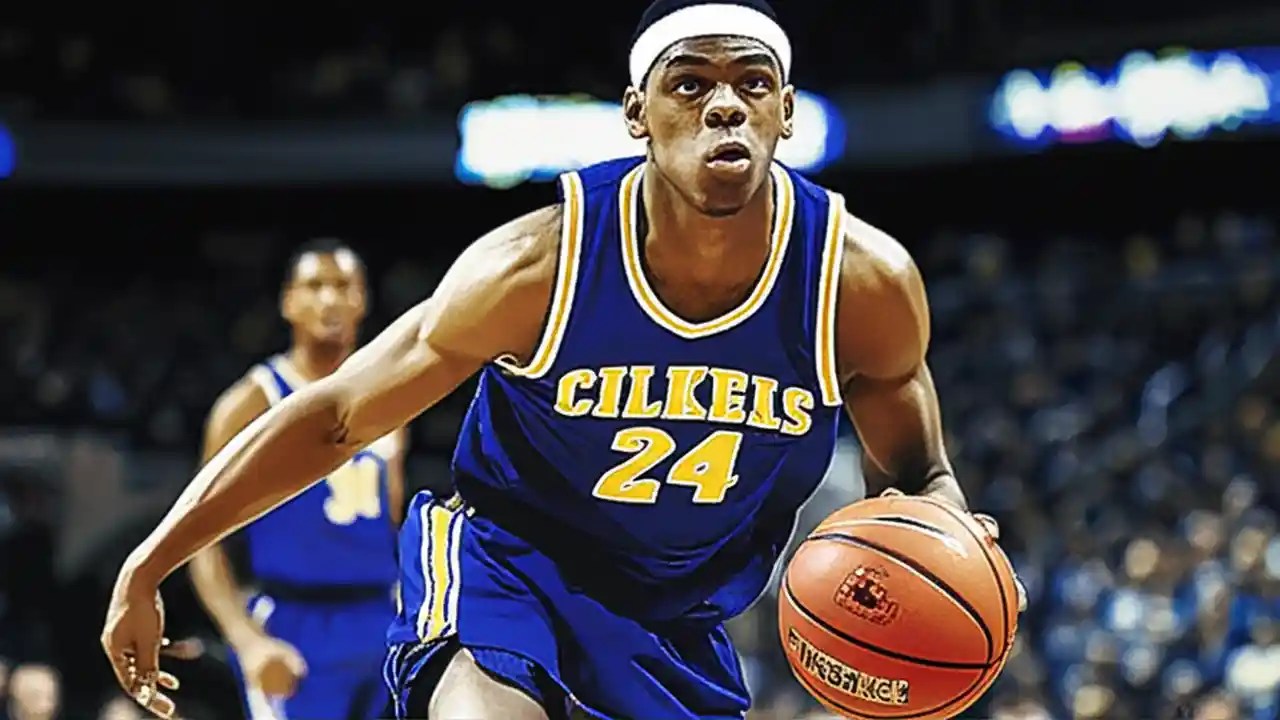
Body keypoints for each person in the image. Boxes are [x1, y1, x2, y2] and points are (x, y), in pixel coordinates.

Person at [101, 2, 1024, 718]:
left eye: (752, 82)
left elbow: (918, 473)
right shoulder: (539, 266)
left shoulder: (859, 284)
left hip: (677, 617)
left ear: (783, 111)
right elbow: (339, 416)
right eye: (689, 84)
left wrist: (955, 544)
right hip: (510, 566)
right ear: (637, 113)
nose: (724, 105)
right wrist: (150, 563)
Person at [186, 239, 407, 720]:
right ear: (288, 302)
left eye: (343, 286)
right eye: (315, 286)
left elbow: (391, 520)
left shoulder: (391, 393)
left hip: (380, 619)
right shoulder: (251, 402)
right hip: (294, 623)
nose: (329, 299)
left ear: (363, 300)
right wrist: (246, 640)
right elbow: (198, 541)